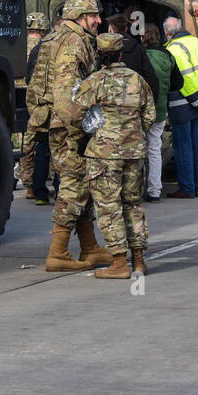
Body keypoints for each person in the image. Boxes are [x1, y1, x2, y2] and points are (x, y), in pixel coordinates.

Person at [73, 33, 156, 279]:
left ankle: (119, 262)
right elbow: (150, 115)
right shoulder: (137, 80)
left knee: (109, 206)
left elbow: (75, 113)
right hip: (135, 151)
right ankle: (139, 260)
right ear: (121, 53)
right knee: (133, 204)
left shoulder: (95, 81)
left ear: (100, 56)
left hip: (104, 154)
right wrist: (133, 135)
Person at [45, 0, 113, 271]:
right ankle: (57, 253)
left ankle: (90, 248)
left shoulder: (72, 38)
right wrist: (78, 131)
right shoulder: (73, 42)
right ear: (79, 17)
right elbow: (65, 92)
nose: (98, 20)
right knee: (73, 189)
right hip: (71, 128)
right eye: (94, 15)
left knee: (82, 186)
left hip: (70, 125)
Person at [163, 15, 198, 199]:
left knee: (183, 148)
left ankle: (187, 188)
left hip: (183, 105)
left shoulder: (173, 48)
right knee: (197, 147)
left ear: (166, 32)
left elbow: (185, 78)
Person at [19, 11, 52, 203]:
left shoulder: (19, 44)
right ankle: (40, 183)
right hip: (38, 99)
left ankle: (29, 183)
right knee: (39, 140)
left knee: (25, 143)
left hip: (19, 95)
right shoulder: (45, 46)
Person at [141, 24, 173, 203]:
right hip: (160, 109)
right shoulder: (167, 56)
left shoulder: (142, 55)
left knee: (138, 149)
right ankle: (155, 190)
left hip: (144, 108)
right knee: (154, 149)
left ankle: (136, 187)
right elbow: (178, 82)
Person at [106, 12, 160, 107]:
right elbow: (151, 78)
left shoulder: (105, 50)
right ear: (126, 28)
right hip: (134, 102)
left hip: (111, 104)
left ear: (110, 29)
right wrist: (151, 104)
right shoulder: (138, 48)